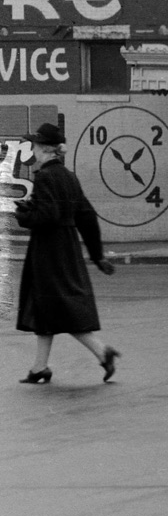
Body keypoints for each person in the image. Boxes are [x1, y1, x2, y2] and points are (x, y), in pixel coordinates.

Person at [14, 123, 119, 385]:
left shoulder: (45, 176)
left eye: (36, 146)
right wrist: (97, 255)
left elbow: (47, 215)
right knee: (46, 305)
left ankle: (101, 351)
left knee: (58, 305)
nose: (33, 150)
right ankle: (39, 368)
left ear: (47, 150)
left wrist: (24, 214)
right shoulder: (69, 176)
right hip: (67, 246)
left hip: (49, 249)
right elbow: (86, 215)